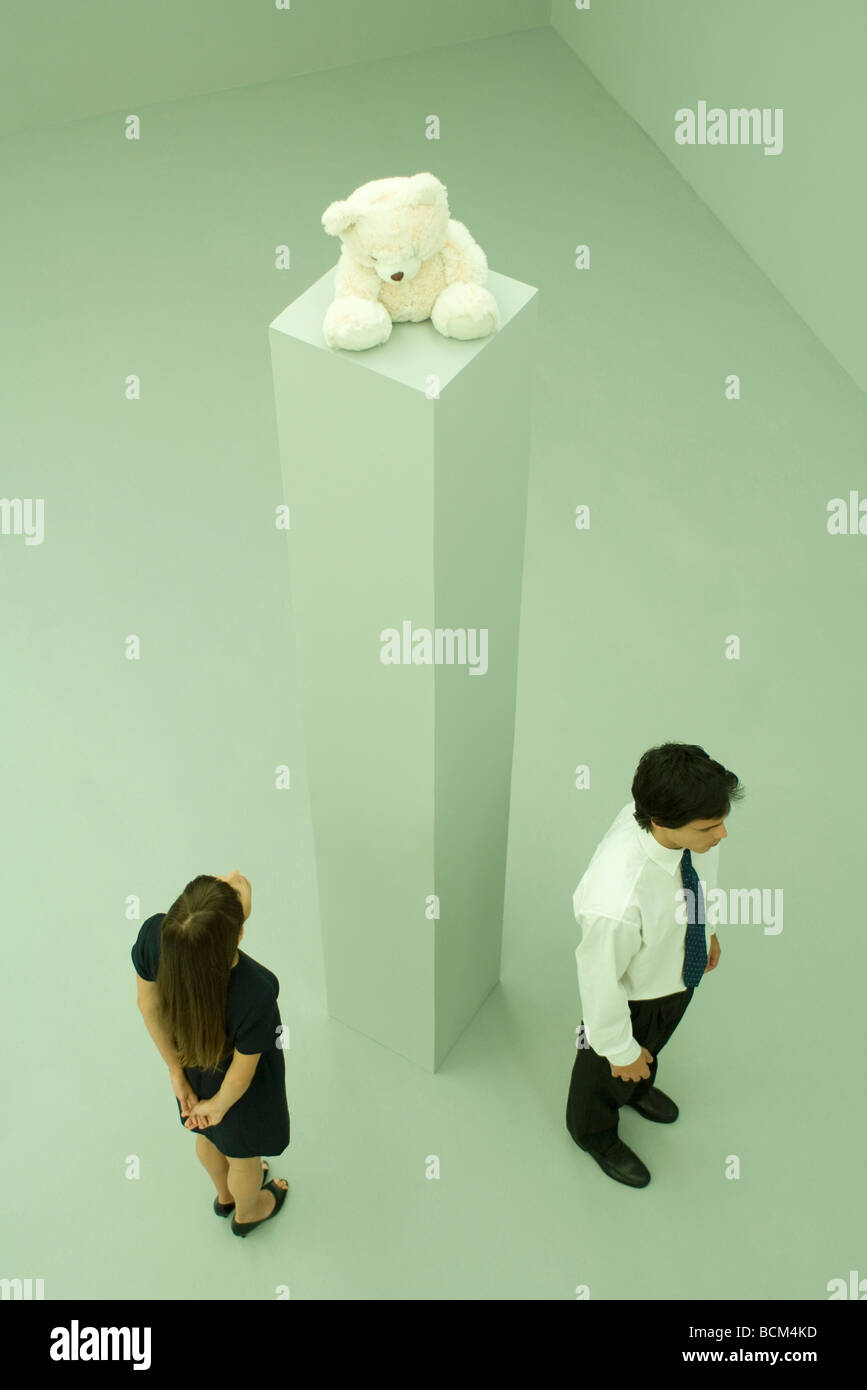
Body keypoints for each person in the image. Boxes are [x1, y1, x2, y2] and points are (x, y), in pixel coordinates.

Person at [566, 741, 745, 1187]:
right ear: (664, 822)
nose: (722, 835)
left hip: (674, 976)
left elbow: (705, 877)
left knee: (655, 1043)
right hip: (631, 998)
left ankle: (636, 1084)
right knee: (604, 1069)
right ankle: (593, 1130)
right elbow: (599, 983)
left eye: (722, 821)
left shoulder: (690, 830)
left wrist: (708, 930)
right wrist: (620, 1050)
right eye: (711, 828)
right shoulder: (616, 899)